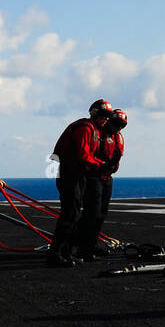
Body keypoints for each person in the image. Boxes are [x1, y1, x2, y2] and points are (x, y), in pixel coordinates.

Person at [46, 100, 110, 267]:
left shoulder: (91, 129)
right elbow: (83, 155)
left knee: (73, 214)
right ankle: (55, 254)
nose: (105, 119)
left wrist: (99, 163)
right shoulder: (85, 128)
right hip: (70, 173)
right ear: (94, 113)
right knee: (70, 214)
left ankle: (64, 253)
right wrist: (101, 164)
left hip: (76, 173)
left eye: (107, 117)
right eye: (103, 116)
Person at [76, 108, 127, 260]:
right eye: (116, 124)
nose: (117, 128)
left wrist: (112, 167)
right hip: (93, 177)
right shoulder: (97, 133)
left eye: (121, 125)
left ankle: (90, 245)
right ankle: (83, 248)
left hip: (107, 177)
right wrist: (102, 165)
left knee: (101, 214)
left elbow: (117, 157)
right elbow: (88, 155)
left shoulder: (119, 137)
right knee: (91, 214)